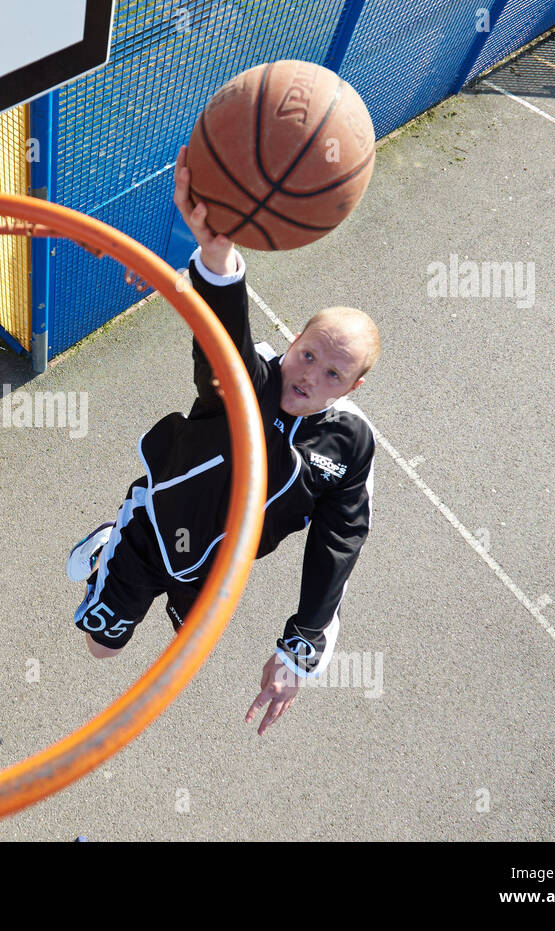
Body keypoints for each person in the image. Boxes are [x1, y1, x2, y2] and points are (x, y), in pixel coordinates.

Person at [66, 145, 379, 736]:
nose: (310, 375)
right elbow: (221, 343)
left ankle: (158, 583)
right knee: (101, 650)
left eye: (333, 373)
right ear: (293, 341)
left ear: (354, 385)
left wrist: (299, 650)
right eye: (307, 353)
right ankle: (108, 543)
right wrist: (217, 253)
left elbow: (339, 546)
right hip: (154, 531)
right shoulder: (250, 378)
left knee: (185, 649)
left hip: (219, 570)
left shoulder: (350, 448)